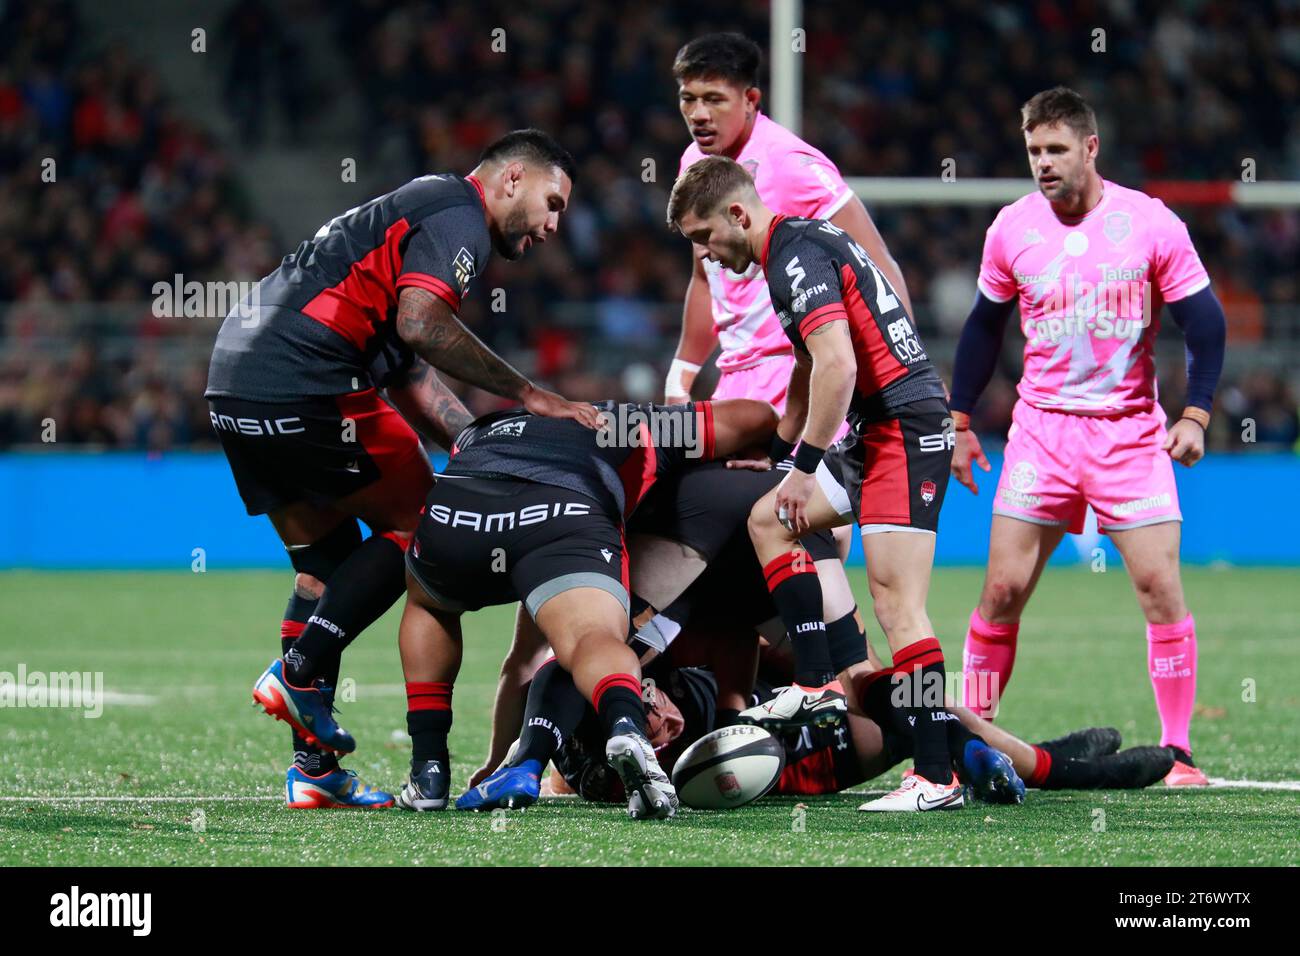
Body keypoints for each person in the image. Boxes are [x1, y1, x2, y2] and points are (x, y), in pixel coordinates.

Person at [207, 129, 599, 808]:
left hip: (237, 380)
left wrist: (477, 437)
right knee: (426, 530)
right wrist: (532, 396)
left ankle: (315, 770)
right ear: (511, 180)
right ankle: (299, 672)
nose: (553, 226)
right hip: (307, 374)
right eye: (552, 203)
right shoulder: (459, 217)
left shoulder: (413, 214)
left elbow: (408, 367)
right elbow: (423, 323)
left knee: (324, 568)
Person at [667, 155, 982, 812]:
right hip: (879, 431)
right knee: (768, 519)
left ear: (737, 213)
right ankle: (815, 683)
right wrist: (783, 457)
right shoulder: (801, 246)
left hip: (902, 432)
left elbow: (837, 367)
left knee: (899, 608)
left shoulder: (795, 258)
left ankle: (934, 777)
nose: (705, 255)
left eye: (703, 237)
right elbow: (810, 370)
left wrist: (804, 467)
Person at [947, 88, 1226, 787]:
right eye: (1034, 150)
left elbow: (1206, 322)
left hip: (1130, 434)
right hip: (1041, 433)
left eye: (1056, 149)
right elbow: (985, 327)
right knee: (1003, 589)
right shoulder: (1013, 228)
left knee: (1160, 584)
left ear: (1090, 147)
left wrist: (1195, 413)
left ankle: (1179, 752)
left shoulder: (1150, 223)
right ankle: (969, 741)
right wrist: (957, 420)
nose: (1043, 163)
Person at [395, 397, 778, 820]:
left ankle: (429, 771)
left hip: (460, 513)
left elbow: (522, 663)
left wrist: (494, 761)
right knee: (594, 638)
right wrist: (763, 448)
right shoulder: (622, 423)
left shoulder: (480, 434)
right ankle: (625, 727)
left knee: (429, 605)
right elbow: (757, 416)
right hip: (568, 515)